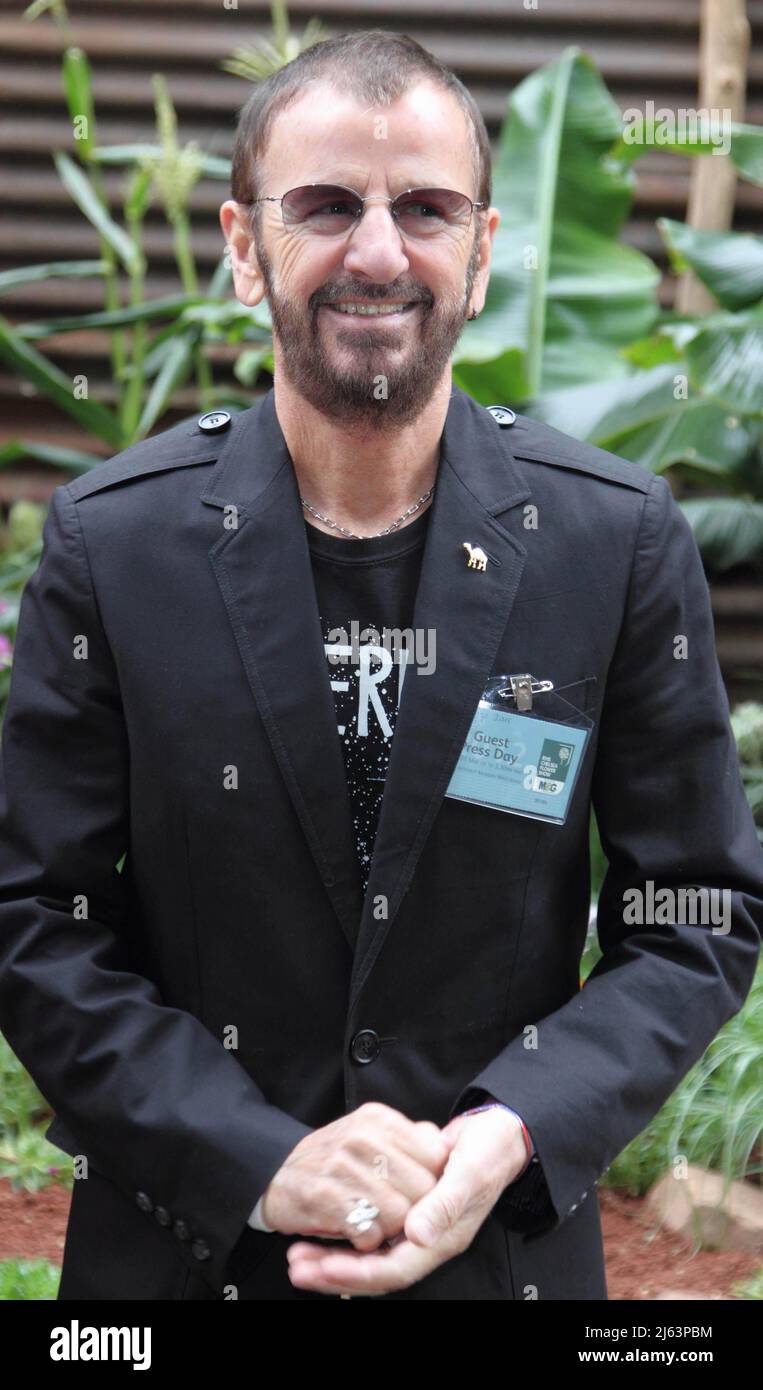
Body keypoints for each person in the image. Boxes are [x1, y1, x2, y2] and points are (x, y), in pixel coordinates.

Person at [0, 30, 761, 1303]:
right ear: (246, 248)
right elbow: (35, 918)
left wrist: (510, 1131)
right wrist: (258, 1154)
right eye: (325, 206)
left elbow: (693, 907)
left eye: (423, 207)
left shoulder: (612, 541)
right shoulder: (114, 545)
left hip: (498, 1250)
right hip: (180, 1261)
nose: (375, 250)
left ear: (481, 247)